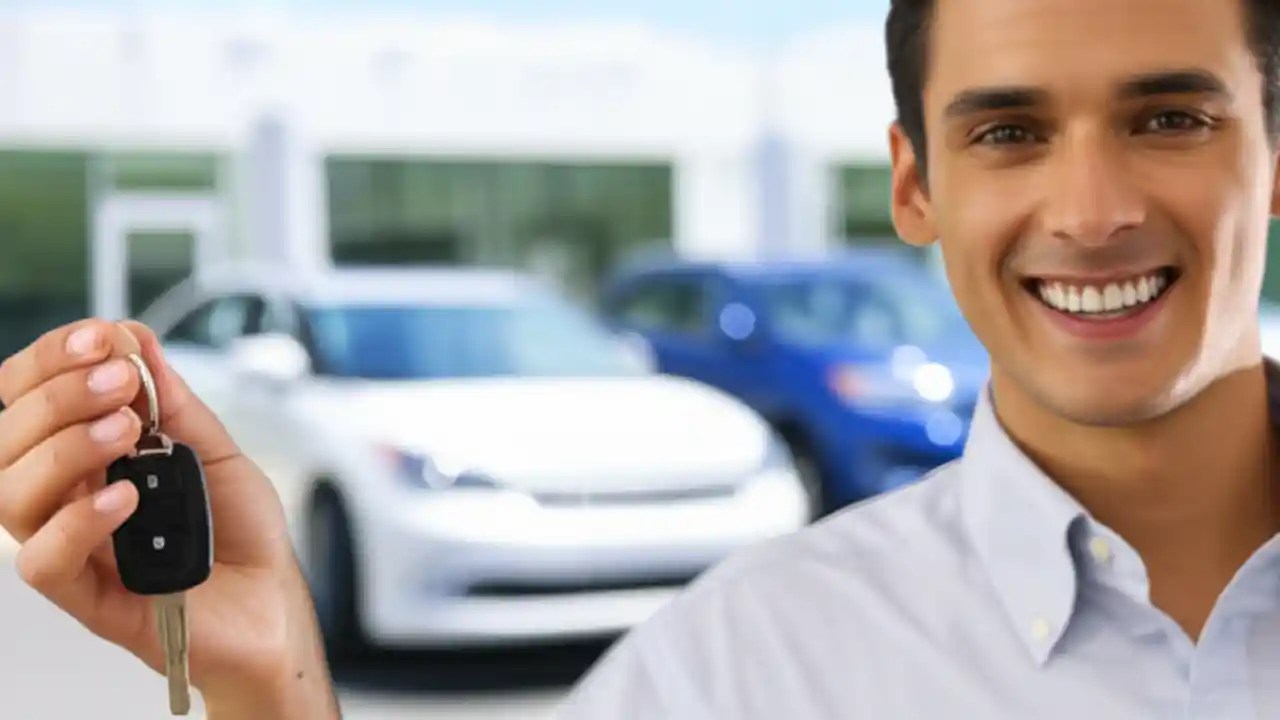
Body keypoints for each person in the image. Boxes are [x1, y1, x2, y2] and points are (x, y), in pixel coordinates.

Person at [2, 0, 1280, 716]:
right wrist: (268, 683)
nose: (1091, 208)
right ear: (914, 186)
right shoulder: (731, 673)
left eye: (1168, 117)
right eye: (1008, 131)